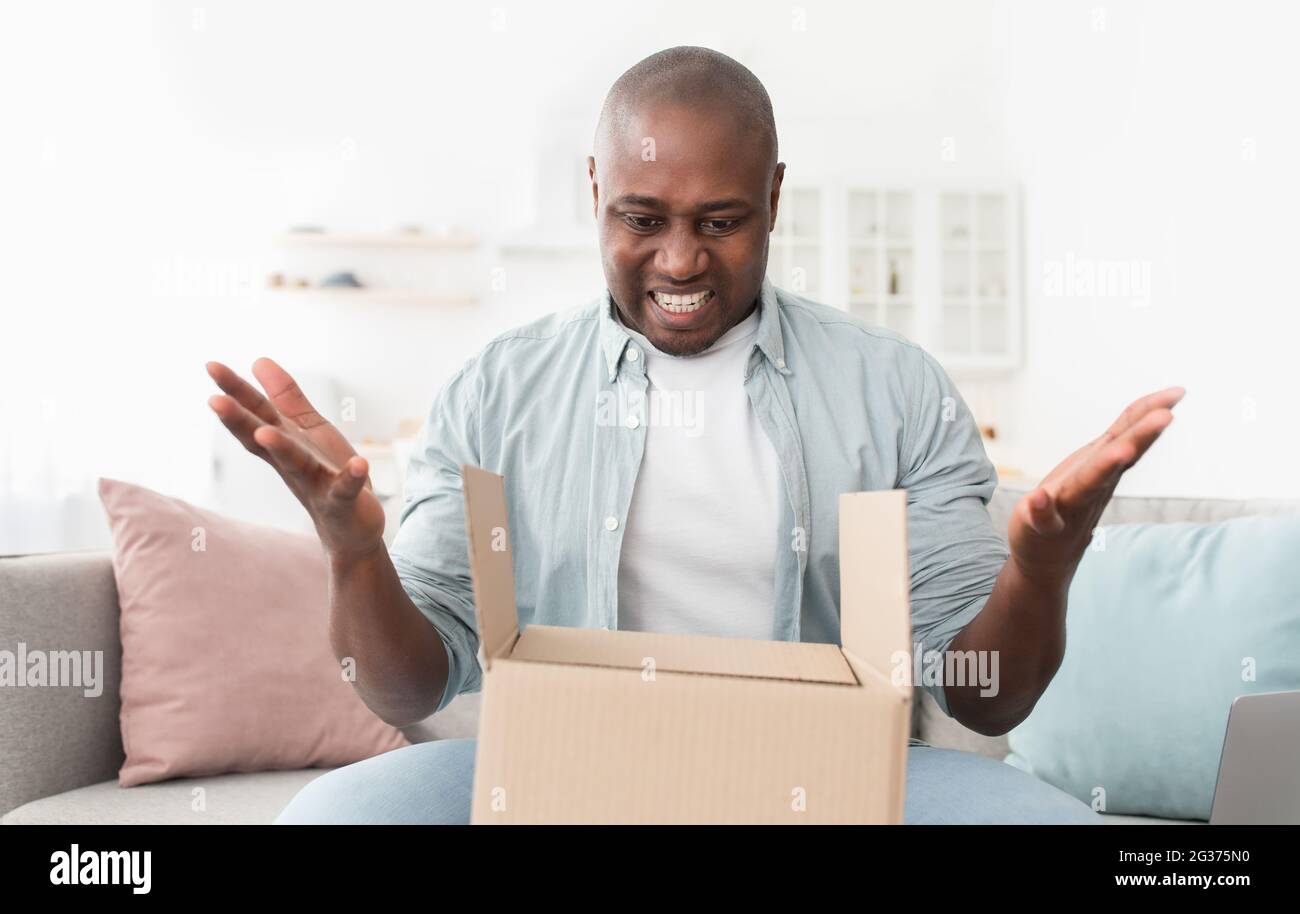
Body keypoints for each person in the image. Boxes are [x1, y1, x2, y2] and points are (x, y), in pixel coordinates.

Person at [206, 47, 1181, 824]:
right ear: (594, 191)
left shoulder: (894, 391)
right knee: (334, 817)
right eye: (642, 218)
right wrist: (353, 555)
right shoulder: (497, 392)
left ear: (774, 198)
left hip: (835, 780)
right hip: (564, 774)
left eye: (721, 221)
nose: (680, 260)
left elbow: (982, 701)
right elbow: (412, 681)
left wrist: (1039, 571)